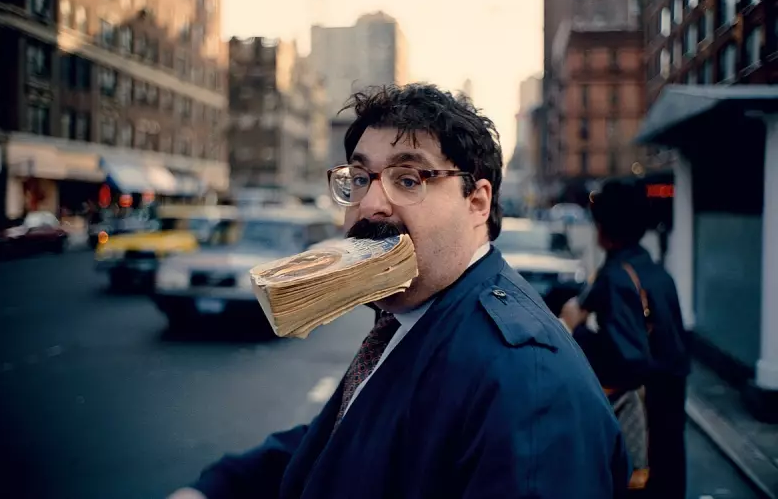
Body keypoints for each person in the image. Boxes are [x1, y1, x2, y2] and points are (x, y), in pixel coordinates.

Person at [168, 84, 631, 499]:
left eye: (408, 179)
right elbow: (348, 439)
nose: (370, 204)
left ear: (477, 203)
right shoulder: (410, 312)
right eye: (361, 178)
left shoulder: (527, 382)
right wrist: (216, 488)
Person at [560, 179, 691, 499]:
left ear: (604, 226)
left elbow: (628, 359)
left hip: (641, 421)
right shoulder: (656, 272)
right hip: (669, 413)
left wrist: (574, 330)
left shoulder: (616, 278)